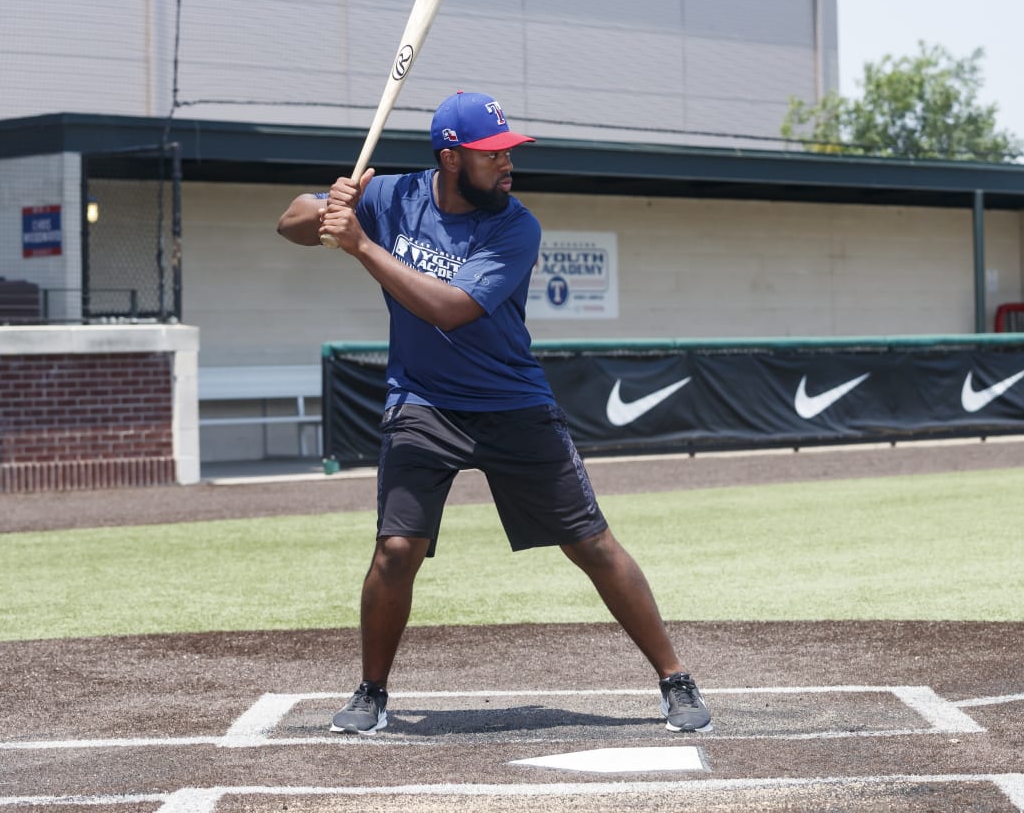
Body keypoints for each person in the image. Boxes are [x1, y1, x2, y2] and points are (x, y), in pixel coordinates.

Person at [276, 90, 712, 735]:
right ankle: (371, 692)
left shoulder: (515, 225)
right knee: (396, 549)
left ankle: (675, 679)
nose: (508, 165)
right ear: (452, 159)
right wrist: (329, 208)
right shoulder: (393, 195)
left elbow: (451, 309)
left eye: (509, 153)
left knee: (590, 541)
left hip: (512, 402)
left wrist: (361, 246)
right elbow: (289, 222)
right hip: (422, 401)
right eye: (493, 155)